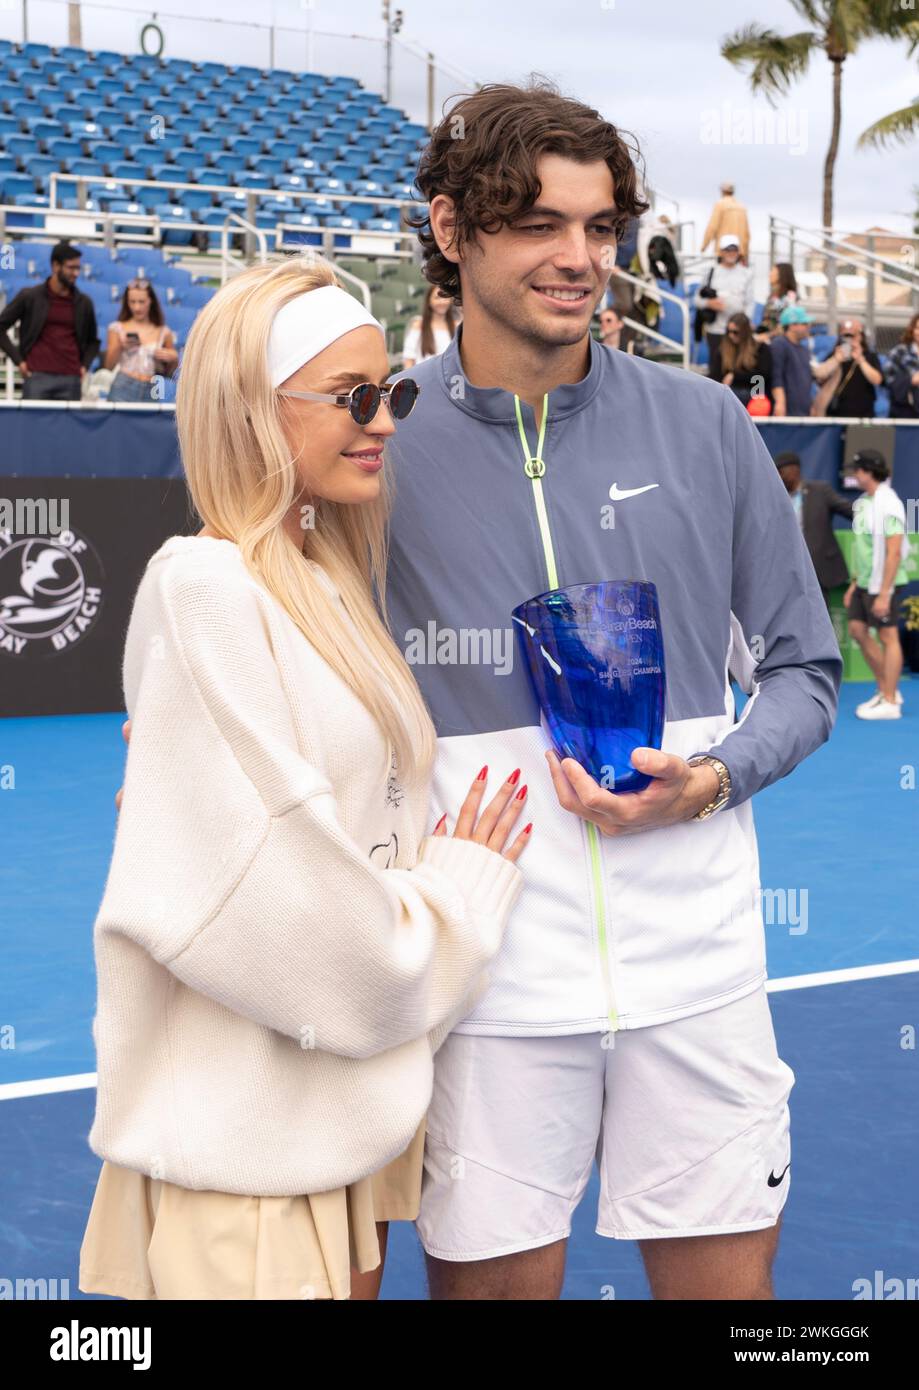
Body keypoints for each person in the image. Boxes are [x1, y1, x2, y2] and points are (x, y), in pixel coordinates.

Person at [384, 79, 840, 1300]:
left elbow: (806, 670)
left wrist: (714, 778)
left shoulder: (705, 422)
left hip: (699, 973)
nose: (578, 259)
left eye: (598, 229)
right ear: (450, 232)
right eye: (536, 224)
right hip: (483, 987)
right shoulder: (377, 443)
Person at [81, 256, 531, 1302]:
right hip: (246, 1153)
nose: (383, 420)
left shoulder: (321, 579)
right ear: (249, 410)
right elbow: (298, 922)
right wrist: (460, 894)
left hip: (328, 1125)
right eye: (353, 397)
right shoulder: (205, 589)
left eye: (393, 393)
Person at [845, 449, 910, 719]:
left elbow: (893, 551)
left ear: (868, 471)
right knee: (858, 630)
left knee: (888, 636)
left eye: (857, 470)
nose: (854, 475)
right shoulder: (863, 502)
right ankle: (887, 688)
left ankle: (891, 701)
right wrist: (854, 584)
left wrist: (885, 592)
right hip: (864, 584)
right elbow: (863, 549)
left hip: (885, 584)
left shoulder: (890, 503)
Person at [0, 241, 99, 400]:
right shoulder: (30, 296)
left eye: (78, 268)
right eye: (71, 268)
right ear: (55, 266)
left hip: (71, 378)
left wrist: (84, 366)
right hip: (37, 376)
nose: (76, 273)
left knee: (67, 426)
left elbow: (93, 342)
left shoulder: (84, 303)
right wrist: (19, 361)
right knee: (32, 424)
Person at [774, 450, 853, 608]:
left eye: (781, 473)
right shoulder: (777, 497)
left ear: (794, 471)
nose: (778, 477)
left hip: (817, 568)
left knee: (819, 612)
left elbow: (851, 510)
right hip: (787, 567)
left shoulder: (820, 491)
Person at [104, 278, 178, 402]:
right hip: (123, 385)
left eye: (141, 302)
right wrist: (120, 346)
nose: (137, 307)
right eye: (132, 302)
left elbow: (170, 372)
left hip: (152, 387)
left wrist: (173, 358)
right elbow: (108, 366)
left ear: (151, 301)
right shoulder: (117, 328)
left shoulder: (164, 332)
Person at [697, 234, 755, 382]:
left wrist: (745, 324)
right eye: (727, 249)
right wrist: (709, 304)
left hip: (737, 331)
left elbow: (749, 302)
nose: (731, 253)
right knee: (716, 371)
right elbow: (697, 299)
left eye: (734, 249)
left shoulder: (746, 273)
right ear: (721, 252)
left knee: (738, 370)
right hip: (716, 329)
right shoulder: (710, 271)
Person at [812, 317, 882, 418]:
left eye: (852, 335)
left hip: (862, 415)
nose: (849, 339)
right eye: (845, 336)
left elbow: (877, 380)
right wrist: (836, 360)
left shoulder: (869, 356)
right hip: (835, 414)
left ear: (860, 336)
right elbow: (820, 378)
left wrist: (861, 360)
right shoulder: (835, 354)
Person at [770, 305, 815, 418]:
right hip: (786, 413)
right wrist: (780, 403)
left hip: (802, 413)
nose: (808, 327)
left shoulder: (804, 350)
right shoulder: (779, 345)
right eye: (804, 323)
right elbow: (776, 377)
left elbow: (808, 380)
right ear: (792, 326)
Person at [720, 312, 772, 408]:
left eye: (735, 332)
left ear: (745, 332)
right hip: (729, 392)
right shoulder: (723, 349)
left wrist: (735, 377)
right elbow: (717, 375)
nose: (731, 335)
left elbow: (762, 377)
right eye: (728, 332)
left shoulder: (761, 348)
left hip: (753, 394)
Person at [401, 283, 457, 369]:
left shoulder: (456, 326)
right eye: (437, 298)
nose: (442, 301)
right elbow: (409, 358)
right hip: (422, 378)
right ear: (429, 300)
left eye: (445, 297)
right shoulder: (419, 324)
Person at [701, 181, 751, 263]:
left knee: (722, 274)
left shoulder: (720, 205)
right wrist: (745, 254)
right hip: (738, 252)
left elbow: (712, 227)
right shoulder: (741, 207)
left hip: (724, 251)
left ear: (722, 191)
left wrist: (704, 247)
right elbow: (747, 235)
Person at [883, 312, 919, 420]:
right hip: (904, 414)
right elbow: (887, 379)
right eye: (917, 328)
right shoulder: (899, 351)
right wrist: (911, 380)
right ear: (912, 330)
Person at [756, 263, 798, 339]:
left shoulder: (790, 297)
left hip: (780, 340)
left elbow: (788, 324)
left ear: (781, 275)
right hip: (767, 338)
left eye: (772, 272)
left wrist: (768, 335)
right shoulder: (772, 296)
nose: (770, 274)